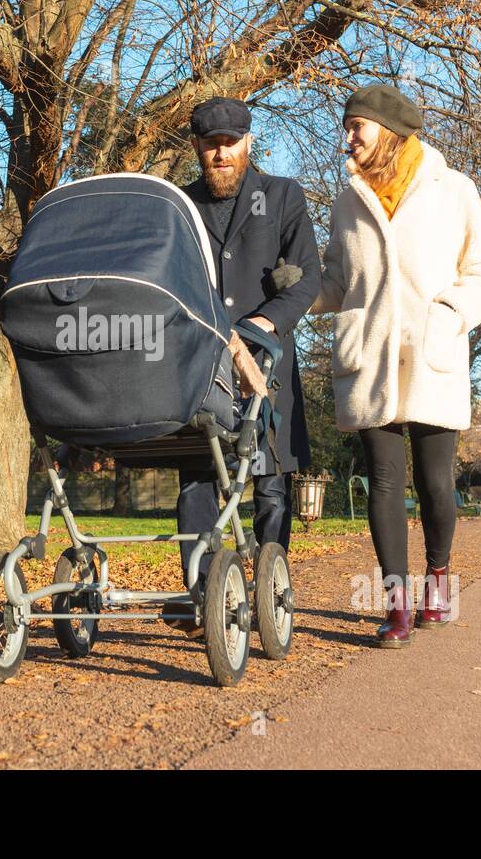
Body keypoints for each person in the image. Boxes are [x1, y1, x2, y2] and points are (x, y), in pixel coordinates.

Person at [310, 84, 481, 647]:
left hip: (432, 355)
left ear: (389, 131)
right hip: (368, 359)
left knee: (435, 484)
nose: (347, 138)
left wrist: (451, 312)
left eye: (356, 128)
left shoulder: (454, 190)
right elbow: (336, 282)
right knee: (383, 482)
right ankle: (396, 606)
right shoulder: (346, 200)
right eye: (347, 127)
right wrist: (297, 294)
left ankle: (438, 580)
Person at [166, 96, 322, 634]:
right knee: (197, 478)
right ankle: (202, 591)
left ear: (248, 143)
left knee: (271, 484)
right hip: (199, 365)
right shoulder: (178, 205)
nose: (221, 154)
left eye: (230, 143)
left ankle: (268, 593)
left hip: (266, 362)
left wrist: (259, 327)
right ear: (197, 148)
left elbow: (308, 281)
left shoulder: (282, 196)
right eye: (211, 145)